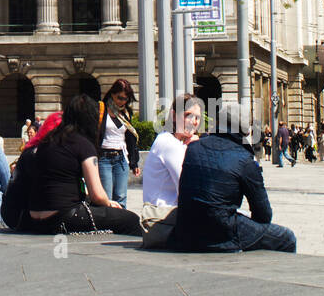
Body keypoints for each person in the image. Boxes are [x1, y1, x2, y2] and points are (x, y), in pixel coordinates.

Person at [169, 103, 296, 253]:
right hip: (222, 236)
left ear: (217, 124)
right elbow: (264, 214)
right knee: (287, 237)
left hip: (185, 233)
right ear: (246, 131)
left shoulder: (193, 148)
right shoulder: (245, 159)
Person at [7, 97, 142, 236]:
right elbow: (97, 195)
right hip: (64, 216)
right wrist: (109, 203)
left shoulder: (46, 141)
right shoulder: (83, 144)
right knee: (131, 220)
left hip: (35, 217)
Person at [140, 94, 203, 247]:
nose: (194, 122)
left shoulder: (168, 140)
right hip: (164, 219)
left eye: (197, 117)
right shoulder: (170, 144)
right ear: (174, 116)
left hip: (163, 217)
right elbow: (190, 189)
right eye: (188, 115)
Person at [95, 80, 140, 207]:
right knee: (106, 198)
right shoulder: (101, 109)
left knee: (121, 198)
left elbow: (130, 139)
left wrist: (134, 162)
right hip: (104, 157)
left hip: (121, 157)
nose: (123, 101)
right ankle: (107, 225)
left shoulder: (126, 113)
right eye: (120, 98)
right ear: (112, 94)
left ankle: (121, 226)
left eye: (126, 99)